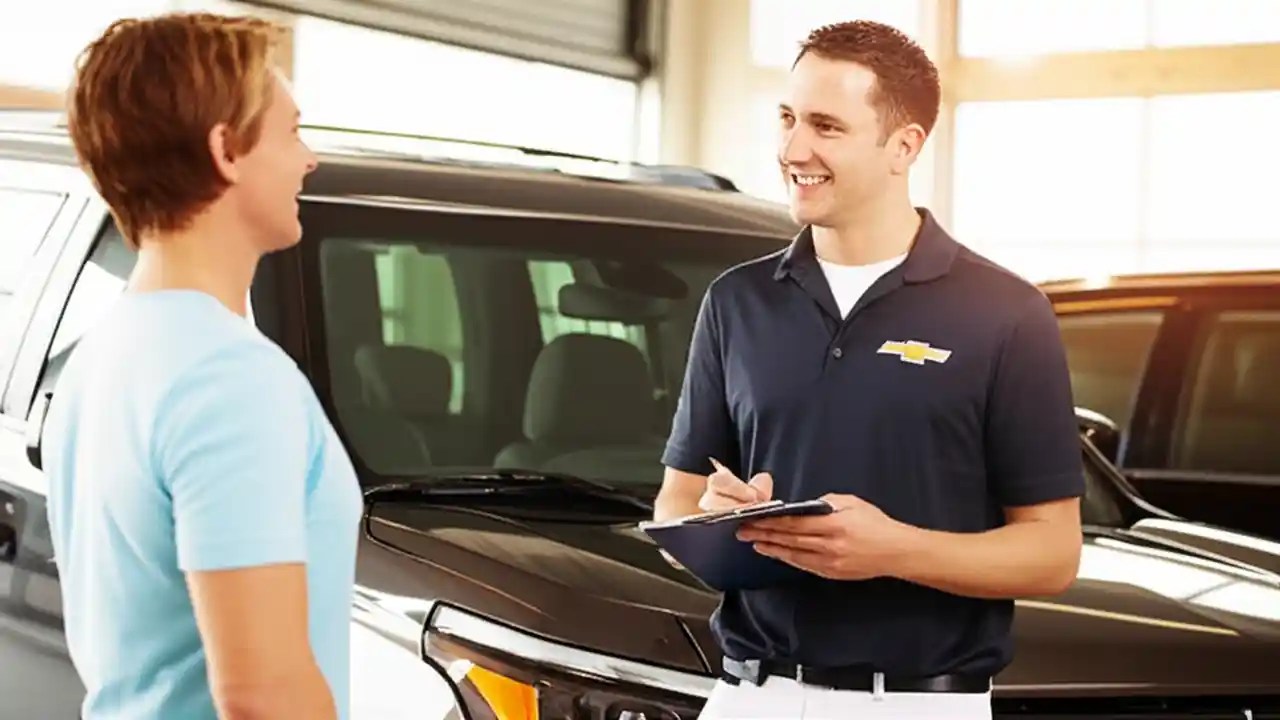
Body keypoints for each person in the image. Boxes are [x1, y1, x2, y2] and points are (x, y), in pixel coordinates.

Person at [655, 20, 1084, 720]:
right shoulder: (738, 301)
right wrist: (715, 522)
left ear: (904, 145)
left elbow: (1052, 553)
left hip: (917, 706)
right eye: (788, 118)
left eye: (826, 126)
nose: (794, 149)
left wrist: (895, 551)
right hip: (747, 698)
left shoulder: (1006, 312)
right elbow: (675, 505)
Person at [43, 12, 361, 720]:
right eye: (292, 131)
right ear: (226, 151)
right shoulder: (230, 378)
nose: (309, 158)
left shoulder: (99, 357)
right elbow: (263, 694)